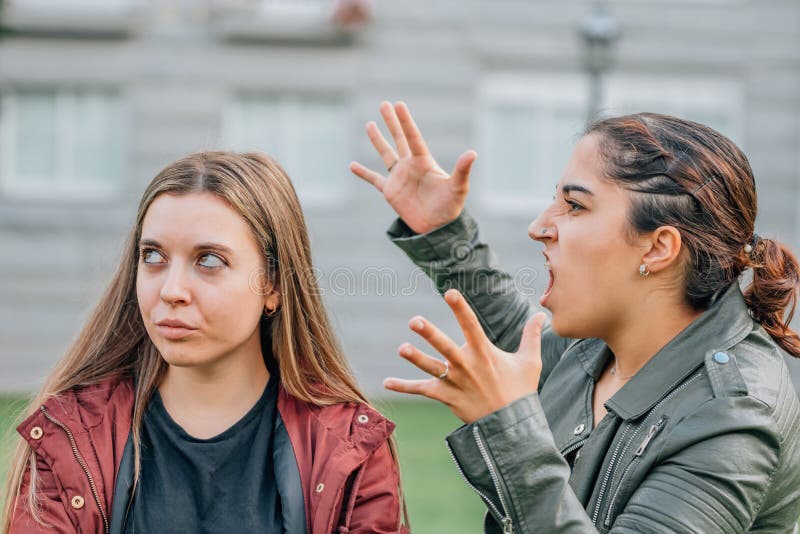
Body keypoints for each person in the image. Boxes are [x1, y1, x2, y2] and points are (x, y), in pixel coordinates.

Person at [350, 101, 800, 533]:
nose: (540, 226)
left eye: (575, 205)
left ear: (658, 247)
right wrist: (444, 233)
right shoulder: (601, 344)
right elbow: (519, 334)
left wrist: (511, 432)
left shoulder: (732, 412)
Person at [3, 151, 408, 534]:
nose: (171, 290)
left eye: (209, 260)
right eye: (153, 257)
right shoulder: (71, 435)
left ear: (273, 285)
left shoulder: (347, 449)